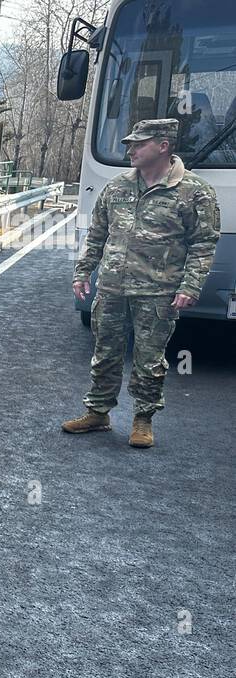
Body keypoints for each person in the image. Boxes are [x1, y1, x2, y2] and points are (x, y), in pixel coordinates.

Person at [62, 118, 220, 448]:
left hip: (158, 292)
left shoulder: (194, 192)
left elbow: (203, 243)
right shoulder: (117, 187)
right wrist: (82, 273)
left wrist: (190, 286)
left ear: (163, 146)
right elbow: (96, 236)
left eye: (139, 144)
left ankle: (143, 418)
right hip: (112, 288)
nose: (131, 149)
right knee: (105, 353)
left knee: (149, 359)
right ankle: (98, 412)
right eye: (130, 144)